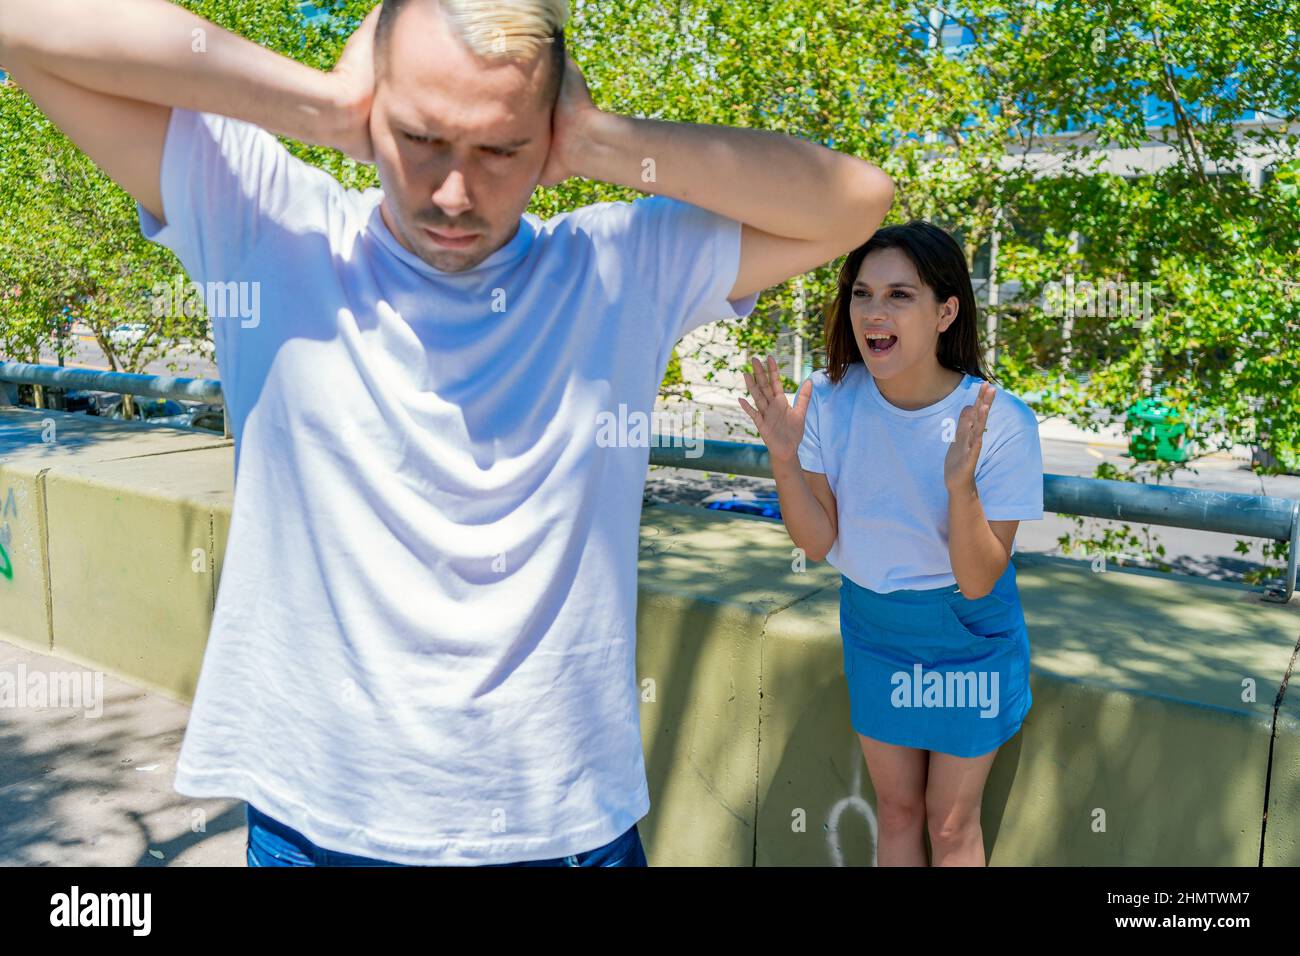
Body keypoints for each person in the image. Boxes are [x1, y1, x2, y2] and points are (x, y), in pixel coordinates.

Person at [0, 0, 895, 865]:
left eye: (502, 148)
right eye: (421, 138)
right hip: (317, 827)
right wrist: (315, 103)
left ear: (547, 138)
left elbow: (855, 202)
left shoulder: (621, 266)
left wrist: (599, 141)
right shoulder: (271, 227)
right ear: (372, 110)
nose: (455, 193)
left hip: (562, 832)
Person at [739, 221, 1043, 866]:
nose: (873, 312)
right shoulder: (823, 400)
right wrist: (785, 460)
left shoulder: (1001, 420)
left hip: (967, 633)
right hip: (874, 626)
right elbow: (818, 543)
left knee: (952, 825)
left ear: (946, 311)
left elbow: (980, 579)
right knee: (899, 812)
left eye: (899, 295)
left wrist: (960, 488)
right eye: (861, 293)